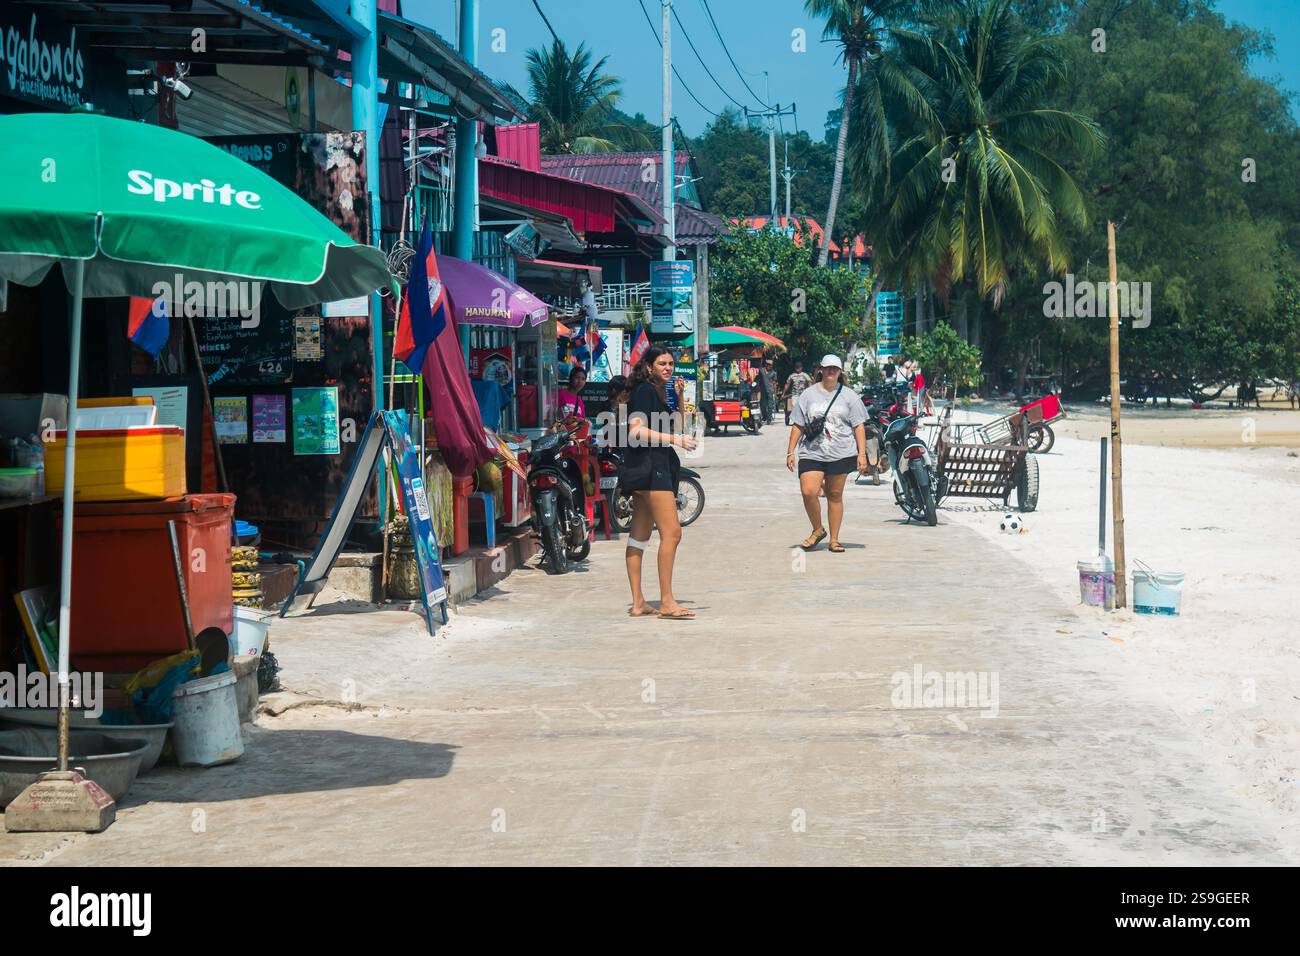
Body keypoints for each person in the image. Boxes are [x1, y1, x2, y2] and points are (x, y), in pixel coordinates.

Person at [623, 347, 698, 619]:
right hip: (652, 470)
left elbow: (677, 425)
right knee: (673, 534)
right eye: (661, 363)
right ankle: (667, 601)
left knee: (639, 537)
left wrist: (678, 397)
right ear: (648, 366)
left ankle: (638, 602)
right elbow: (636, 430)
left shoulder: (656, 392)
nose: (668, 368)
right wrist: (675, 441)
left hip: (644, 472)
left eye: (670, 364)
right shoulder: (645, 391)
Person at [786, 355, 868, 553]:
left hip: (840, 452)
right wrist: (790, 451)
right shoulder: (808, 395)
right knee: (808, 491)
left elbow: (858, 426)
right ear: (820, 370)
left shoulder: (850, 396)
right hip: (811, 452)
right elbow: (798, 424)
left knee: (834, 495)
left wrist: (862, 454)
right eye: (828, 368)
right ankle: (818, 529)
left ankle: (834, 539)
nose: (831, 371)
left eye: (835, 368)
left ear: (840, 372)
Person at [782, 361, 813, 425]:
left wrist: (811, 392)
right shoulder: (792, 376)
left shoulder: (805, 375)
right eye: (796, 367)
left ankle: (800, 421)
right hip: (794, 395)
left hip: (803, 395)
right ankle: (796, 421)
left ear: (801, 368)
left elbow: (809, 384)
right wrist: (783, 393)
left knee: (803, 408)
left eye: (799, 367)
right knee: (794, 407)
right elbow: (787, 384)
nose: (798, 369)